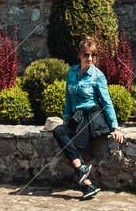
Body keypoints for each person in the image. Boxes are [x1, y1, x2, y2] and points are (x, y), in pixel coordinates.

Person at [53, 35, 125, 199]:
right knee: (59, 131)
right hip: (76, 117)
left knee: (78, 144)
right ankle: (83, 174)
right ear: (80, 55)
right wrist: (66, 120)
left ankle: (86, 183)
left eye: (93, 55)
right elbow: (68, 97)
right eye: (86, 55)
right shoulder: (71, 72)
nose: (90, 58)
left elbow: (106, 102)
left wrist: (115, 127)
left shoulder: (97, 76)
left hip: (92, 117)